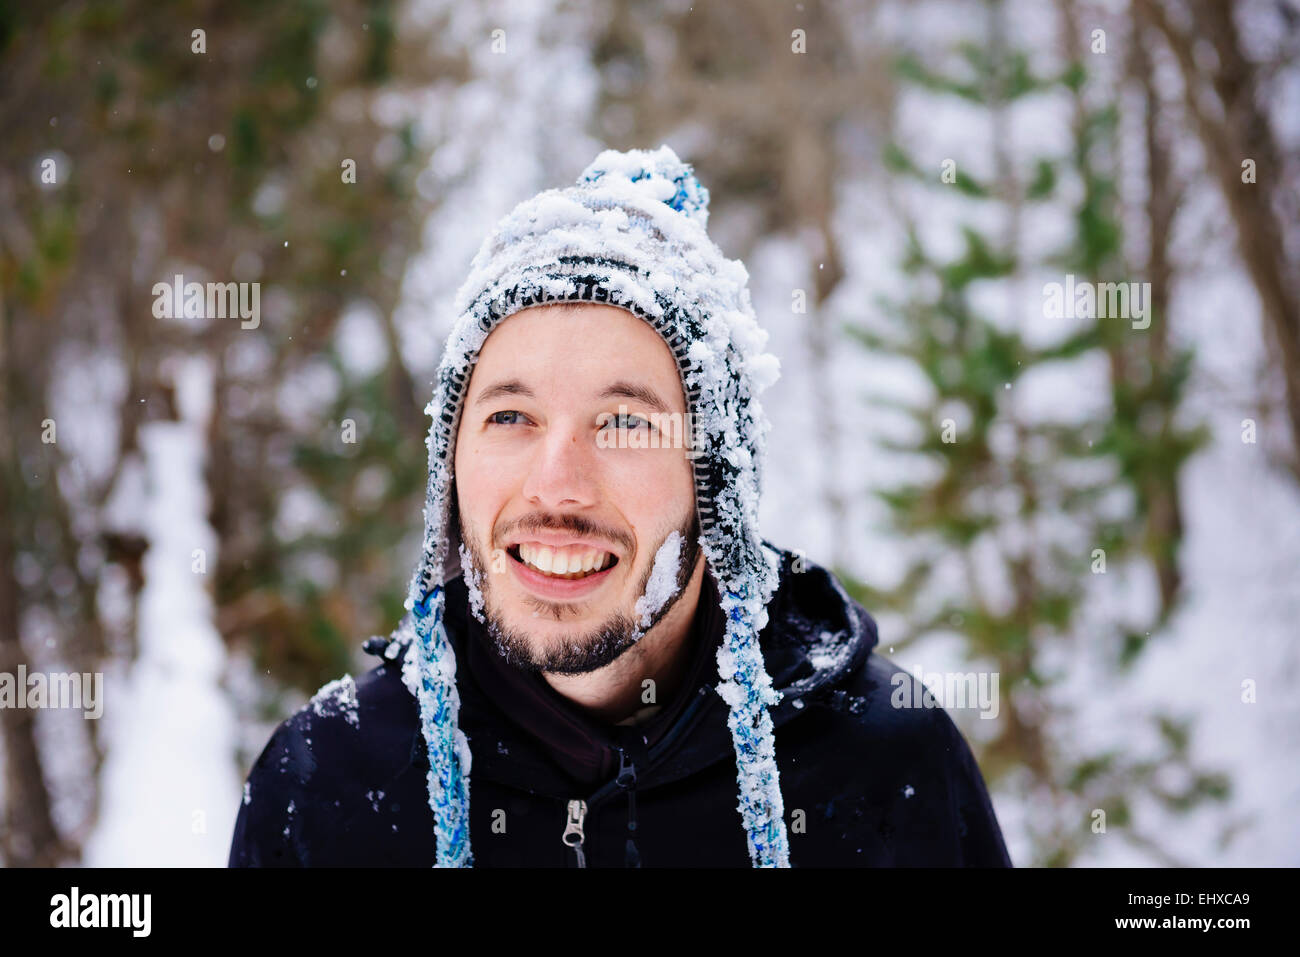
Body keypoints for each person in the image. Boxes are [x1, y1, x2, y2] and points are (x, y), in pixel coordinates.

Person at [228, 145, 1013, 868]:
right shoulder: (324, 786)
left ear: (715, 482)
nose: (556, 485)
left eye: (624, 422)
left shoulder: (884, 770)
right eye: (510, 416)